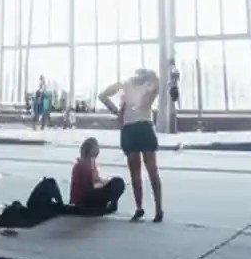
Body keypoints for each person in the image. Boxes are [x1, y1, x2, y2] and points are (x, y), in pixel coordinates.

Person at [99, 69, 164, 222]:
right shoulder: (149, 85)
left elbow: (103, 95)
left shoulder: (127, 84)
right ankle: (158, 210)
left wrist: (116, 111)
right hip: (144, 128)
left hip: (130, 129)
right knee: (151, 171)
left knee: (136, 172)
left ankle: (140, 208)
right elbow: (160, 87)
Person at [70, 137, 126, 214]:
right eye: (96, 147)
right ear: (90, 149)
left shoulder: (90, 162)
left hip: (85, 196)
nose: (98, 150)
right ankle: (108, 205)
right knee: (118, 182)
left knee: (116, 182)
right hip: (83, 198)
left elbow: (96, 181)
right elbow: (91, 183)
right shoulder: (83, 164)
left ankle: (105, 205)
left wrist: (105, 182)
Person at [168, 59, 181, 134]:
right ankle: (174, 126)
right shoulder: (175, 71)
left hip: (173, 88)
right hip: (174, 88)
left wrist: (170, 83)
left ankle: (174, 126)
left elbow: (174, 81)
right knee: (174, 106)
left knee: (173, 106)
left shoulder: (173, 71)